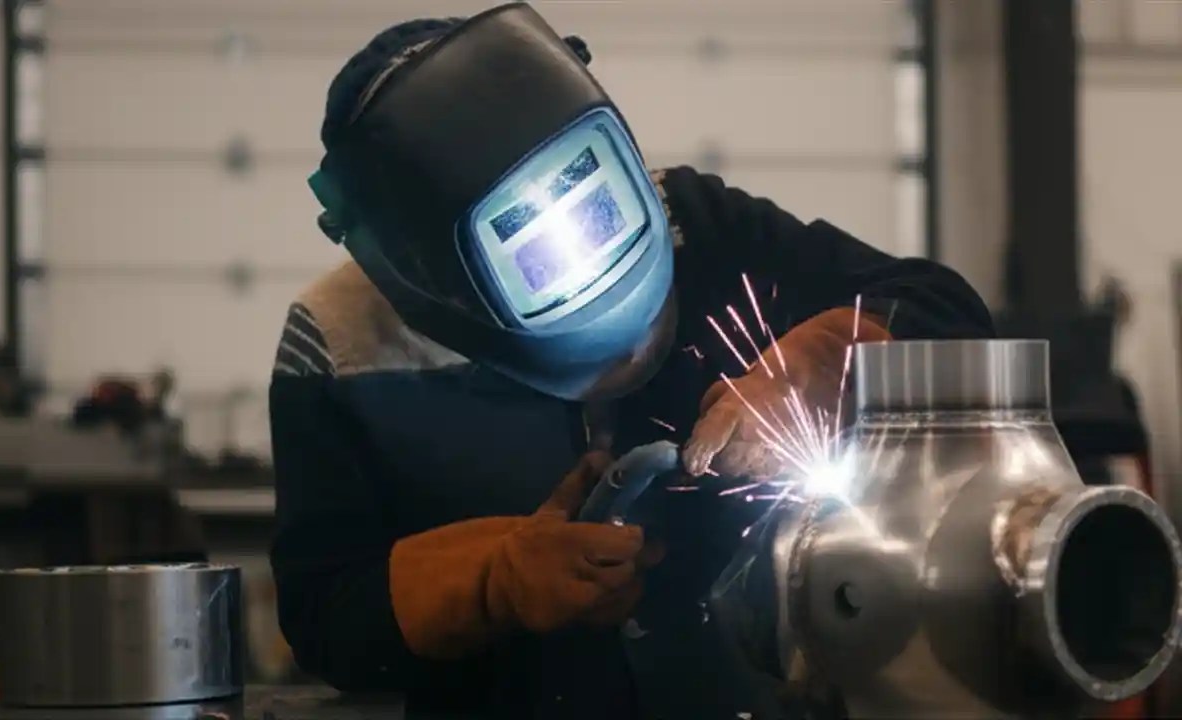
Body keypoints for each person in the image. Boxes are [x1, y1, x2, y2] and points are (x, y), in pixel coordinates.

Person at [268, 4, 993, 719]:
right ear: (425, 264)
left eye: (591, 210)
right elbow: (328, 621)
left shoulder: (690, 220)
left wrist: (821, 360)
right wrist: (493, 580)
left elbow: (945, 309)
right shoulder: (339, 342)